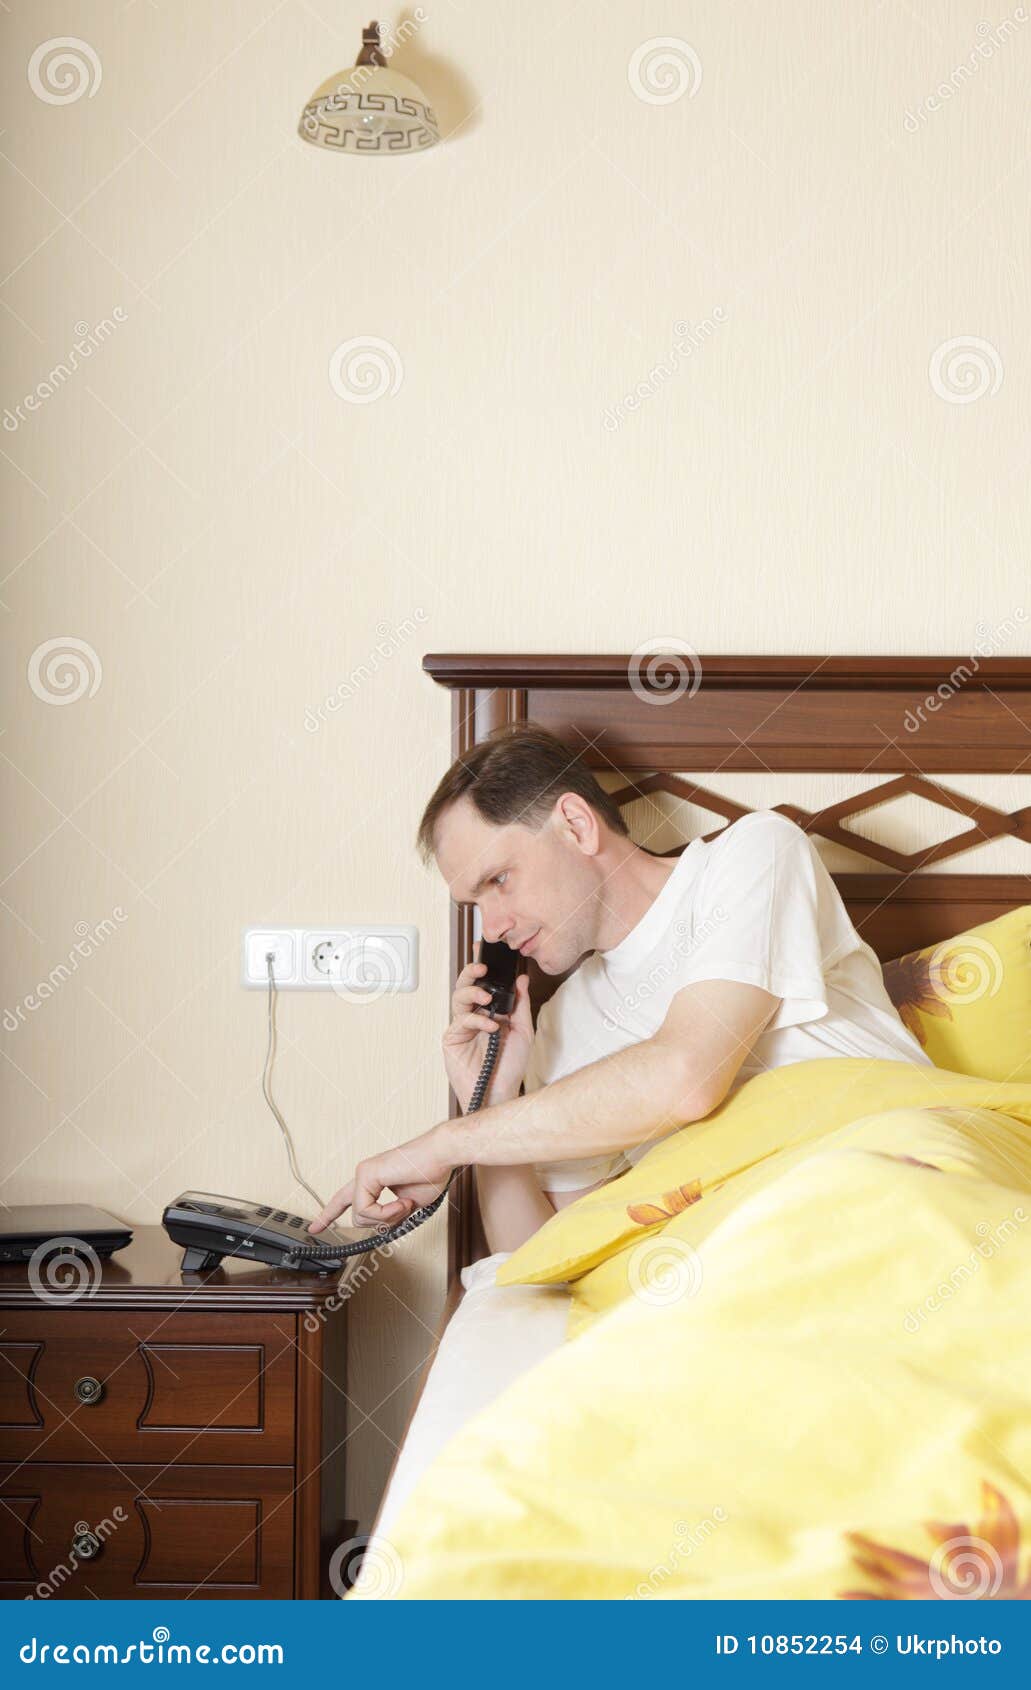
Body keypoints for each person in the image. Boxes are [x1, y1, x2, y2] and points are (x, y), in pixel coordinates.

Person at [310, 723, 932, 1253]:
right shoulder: (562, 1027)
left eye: (498, 879)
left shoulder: (753, 855)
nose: (492, 927)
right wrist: (491, 1097)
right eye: (475, 902)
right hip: (751, 1253)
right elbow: (536, 1256)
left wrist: (445, 1144)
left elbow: (686, 1077)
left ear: (576, 826)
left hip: (906, 1184)